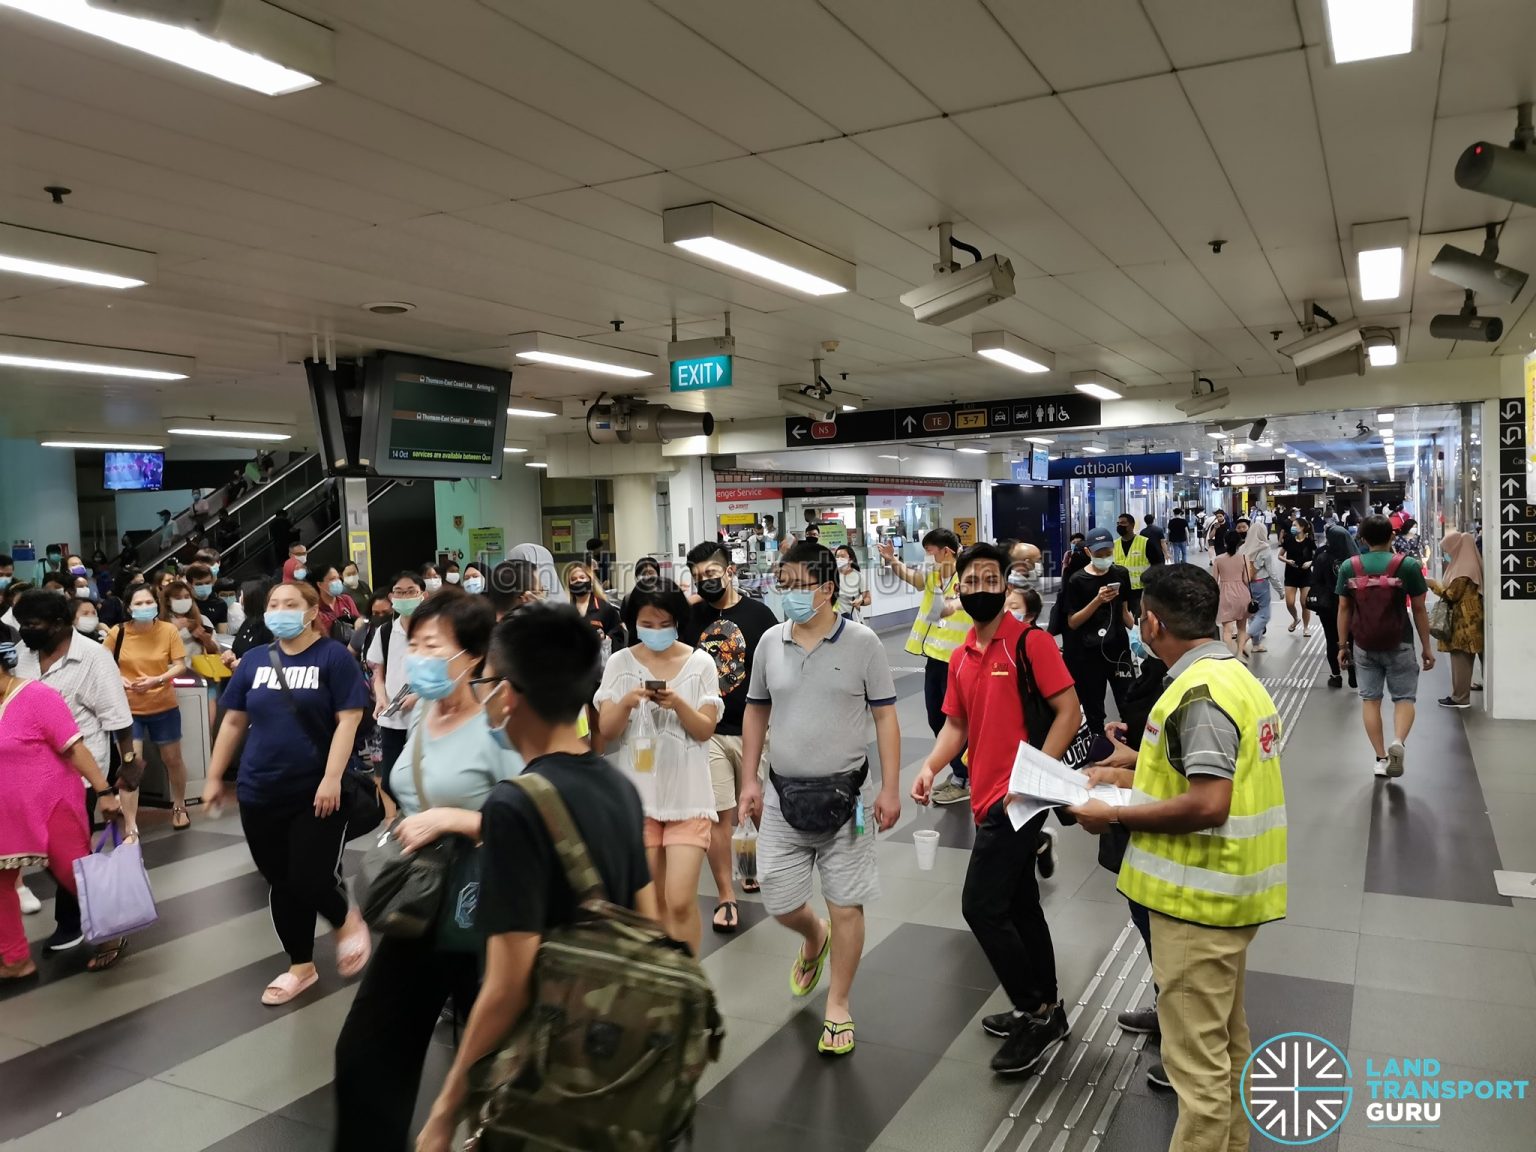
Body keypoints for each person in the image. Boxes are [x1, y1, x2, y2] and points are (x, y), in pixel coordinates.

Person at [416, 603, 655, 1152]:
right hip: (609, 1053)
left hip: (545, 1061)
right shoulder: (617, 787)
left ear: (508, 695)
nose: (482, 694)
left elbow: (506, 984)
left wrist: (445, 1109)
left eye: (486, 681)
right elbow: (653, 920)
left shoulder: (514, 805)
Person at [1068, 563, 1286, 1152]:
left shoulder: (1197, 694)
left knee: (1197, 1073)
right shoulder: (1231, 676)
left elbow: (1209, 801)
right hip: (1228, 895)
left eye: (1141, 618)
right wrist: (1125, 765)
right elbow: (1197, 766)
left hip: (1198, 902)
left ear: (1154, 623)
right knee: (1227, 1045)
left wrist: (1111, 811)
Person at [332, 590, 521, 1149]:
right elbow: (407, 802)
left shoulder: (499, 726)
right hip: (420, 905)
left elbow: (529, 816)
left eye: (432, 645)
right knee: (365, 1050)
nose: (418, 656)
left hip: (481, 908)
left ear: (472, 654)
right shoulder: (419, 717)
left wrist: (453, 818)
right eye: (413, 644)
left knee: (490, 1055)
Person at [912, 543, 1077, 1076]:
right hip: (985, 793)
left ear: (1006, 586)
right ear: (957, 587)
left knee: (981, 907)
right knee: (1021, 902)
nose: (981, 588)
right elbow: (957, 726)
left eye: (991, 580)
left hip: (1020, 800)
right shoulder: (961, 655)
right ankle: (1047, 1006)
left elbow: (1068, 713)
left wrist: (1035, 779)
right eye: (971, 580)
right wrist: (930, 765)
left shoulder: (1028, 644)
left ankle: (1035, 1011)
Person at [738, 541, 902, 1058]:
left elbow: (885, 716)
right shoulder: (769, 642)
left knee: (847, 904)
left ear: (827, 589)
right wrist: (749, 780)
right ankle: (813, 936)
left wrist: (891, 786)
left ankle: (838, 1004)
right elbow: (755, 712)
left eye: (794, 584)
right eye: (780, 583)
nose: (784, 593)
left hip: (850, 799)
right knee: (779, 899)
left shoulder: (864, 643)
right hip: (782, 794)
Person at [201, 581, 372, 1005]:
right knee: (281, 881)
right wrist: (214, 777)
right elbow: (233, 722)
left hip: (317, 789)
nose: (280, 610)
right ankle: (301, 965)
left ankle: (345, 919)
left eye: (291, 604)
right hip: (259, 789)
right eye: (274, 604)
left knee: (310, 876)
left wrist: (332, 777)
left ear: (313, 611)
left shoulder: (333, 657)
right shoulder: (255, 660)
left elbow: (349, 720)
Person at [596, 579, 719, 956]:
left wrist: (679, 704)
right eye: (646, 624)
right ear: (633, 621)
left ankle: (690, 982)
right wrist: (629, 701)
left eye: (662, 623)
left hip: (689, 798)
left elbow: (704, 730)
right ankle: (662, 981)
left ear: (678, 621)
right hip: (638, 803)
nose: (654, 631)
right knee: (648, 908)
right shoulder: (620, 663)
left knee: (681, 900)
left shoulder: (700, 663)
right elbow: (607, 731)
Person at [0, 636, 125, 980]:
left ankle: (113, 930)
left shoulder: (36, 696)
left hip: (51, 800)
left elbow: (75, 747)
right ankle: (14, 960)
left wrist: (104, 790)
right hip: (5, 809)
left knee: (73, 871)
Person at [686, 542, 778, 924]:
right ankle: (726, 895)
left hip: (753, 729)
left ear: (729, 571)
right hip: (708, 731)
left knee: (754, 808)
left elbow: (779, 668)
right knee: (718, 816)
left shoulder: (760, 615)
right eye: (697, 577)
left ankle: (758, 866)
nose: (706, 582)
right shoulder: (689, 618)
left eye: (711, 574)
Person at [1337, 514, 1434, 779]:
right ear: (1392, 536)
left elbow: (1344, 608)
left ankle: (1381, 758)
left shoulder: (1349, 566)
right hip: (1399, 641)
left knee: (1371, 700)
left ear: (1363, 539)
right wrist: (1426, 646)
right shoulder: (1407, 565)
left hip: (1364, 644)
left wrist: (1342, 645)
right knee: (1404, 698)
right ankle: (1398, 742)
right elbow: (1419, 609)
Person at [881, 528, 972, 805]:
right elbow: (914, 579)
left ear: (947, 550)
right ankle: (960, 771)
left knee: (955, 721)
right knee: (936, 718)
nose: (927, 556)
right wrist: (893, 561)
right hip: (935, 657)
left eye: (930, 551)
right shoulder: (934, 575)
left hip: (958, 660)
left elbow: (972, 599)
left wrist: (955, 604)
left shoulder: (968, 575)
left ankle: (964, 777)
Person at [104, 584, 192, 830]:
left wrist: (157, 679)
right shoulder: (117, 633)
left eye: (148, 602)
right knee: (132, 764)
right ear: (129, 607)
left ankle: (179, 806)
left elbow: (179, 665)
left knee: (173, 759)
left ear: (156, 604)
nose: (144, 607)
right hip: (128, 711)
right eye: (138, 603)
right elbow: (103, 664)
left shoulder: (168, 630)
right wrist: (118, 678)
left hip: (163, 705)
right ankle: (131, 825)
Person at [1059, 527, 1135, 737]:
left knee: (1129, 702)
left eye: (1108, 553)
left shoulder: (1121, 573)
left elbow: (1125, 612)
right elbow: (1073, 622)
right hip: (1089, 654)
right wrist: (1097, 601)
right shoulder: (1077, 580)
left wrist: (1139, 635)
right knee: (1094, 709)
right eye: (1099, 555)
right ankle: (1099, 750)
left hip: (1119, 650)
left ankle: (1131, 748)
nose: (1104, 558)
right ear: (1088, 553)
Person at [368, 571, 427, 788]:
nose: (405, 597)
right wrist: (381, 697)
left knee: (421, 777)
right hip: (393, 718)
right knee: (391, 781)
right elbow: (378, 673)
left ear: (423, 595)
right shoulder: (385, 631)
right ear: (392, 597)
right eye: (399, 592)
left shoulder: (434, 629)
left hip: (425, 715)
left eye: (411, 591)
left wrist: (418, 696)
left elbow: (448, 669)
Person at [1428, 530, 1484, 710]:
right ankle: (1467, 690)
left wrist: (1433, 585)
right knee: (1468, 658)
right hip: (1472, 620)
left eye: (1447, 550)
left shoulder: (1463, 571)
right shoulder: (1470, 564)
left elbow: (1452, 594)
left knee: (1460, 659)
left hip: (1464, 623)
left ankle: (1460, 698)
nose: (1447, 554)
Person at [1312, 526, 1358, 689]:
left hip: (1327, 606)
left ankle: (1336, 676)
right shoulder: (1354, 558)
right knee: (1351, 639)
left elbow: (1315, 580)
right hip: (1351, 604)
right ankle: (1353, 673)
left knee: (1332, 640)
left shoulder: (1322, 557)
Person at [566, 562, 624, 652]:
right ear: (569, 585)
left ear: (591, 581)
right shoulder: (565, 611)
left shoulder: (605, 608)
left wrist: (605, 639)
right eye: (573, 579)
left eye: (582, 578)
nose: (578, 581)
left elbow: (618, 636)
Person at [1213, 530, 1253, 660]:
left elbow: (1214, 580)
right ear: (1239, 543)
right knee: (1241, 628)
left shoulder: (1218, 559)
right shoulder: (1243, 557)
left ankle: (1228, 657)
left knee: (1227, 630)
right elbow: (1247, 580)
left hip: (1225, 593)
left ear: (1225, 542)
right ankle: (1240, 654)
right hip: (1242, 593)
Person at [1239, 521, 1276, 654]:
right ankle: (1244, 640)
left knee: (1253, 615)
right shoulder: (1264, 547)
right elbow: (1271, 571)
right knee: (1264, 615)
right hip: (1261, 583)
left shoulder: (1243, 548)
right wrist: (1280, 589)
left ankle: (1256, 644)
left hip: (1245, 584)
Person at [1114, 513, 1159, 618]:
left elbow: (1157, 565)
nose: (1120, 526)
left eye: (1123, 523)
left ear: (1132, 525)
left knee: (1139, 620)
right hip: (1120, 591)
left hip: (1139, 591)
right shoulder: (1114, 545)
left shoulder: (1145, 543)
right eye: (1118, 523)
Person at [1278, 518, 1316, 635]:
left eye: (1295, 525)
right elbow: (1280, 555)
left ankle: (1306, 627)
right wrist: (1287, 561)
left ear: (1302, 527)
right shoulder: (1289, 540)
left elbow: (1316, 557)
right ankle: (1295, 618)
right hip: (1290, 575)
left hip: (1306, 575)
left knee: (1305, 603)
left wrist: (1310, 563)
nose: (1292, 527)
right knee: (1290, 603)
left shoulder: (1309, 541)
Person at [314, 565, 358, 641]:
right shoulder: (315, 607)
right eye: (332, 579)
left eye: (338, 578)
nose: (338, 582)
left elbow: (358, 622)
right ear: (320, 584)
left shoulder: (346, 600)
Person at [834, 544, 870, 622]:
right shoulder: (831, 576)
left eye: (842, 556)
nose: (839, 559)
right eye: (837, 556)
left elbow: (868, 599)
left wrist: (861, 602)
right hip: (834, 620)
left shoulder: (859, 577)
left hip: (851, 619)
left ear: (850, 559)